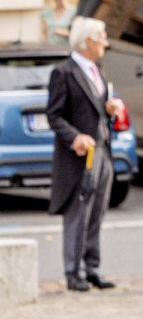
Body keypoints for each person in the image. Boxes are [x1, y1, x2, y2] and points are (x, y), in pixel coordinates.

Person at [46, 16, 125, 292]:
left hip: (103, 150)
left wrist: (109, 110)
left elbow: (94, 108)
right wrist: (74, 136)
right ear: (88, 40)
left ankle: (92, 268)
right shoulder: (64, 72)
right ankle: (73, 272)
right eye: (102, 36)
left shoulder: (96, 70)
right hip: (79, 156)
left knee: (97, 213)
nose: (105, 42)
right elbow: (54, 116)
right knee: (78, 213)